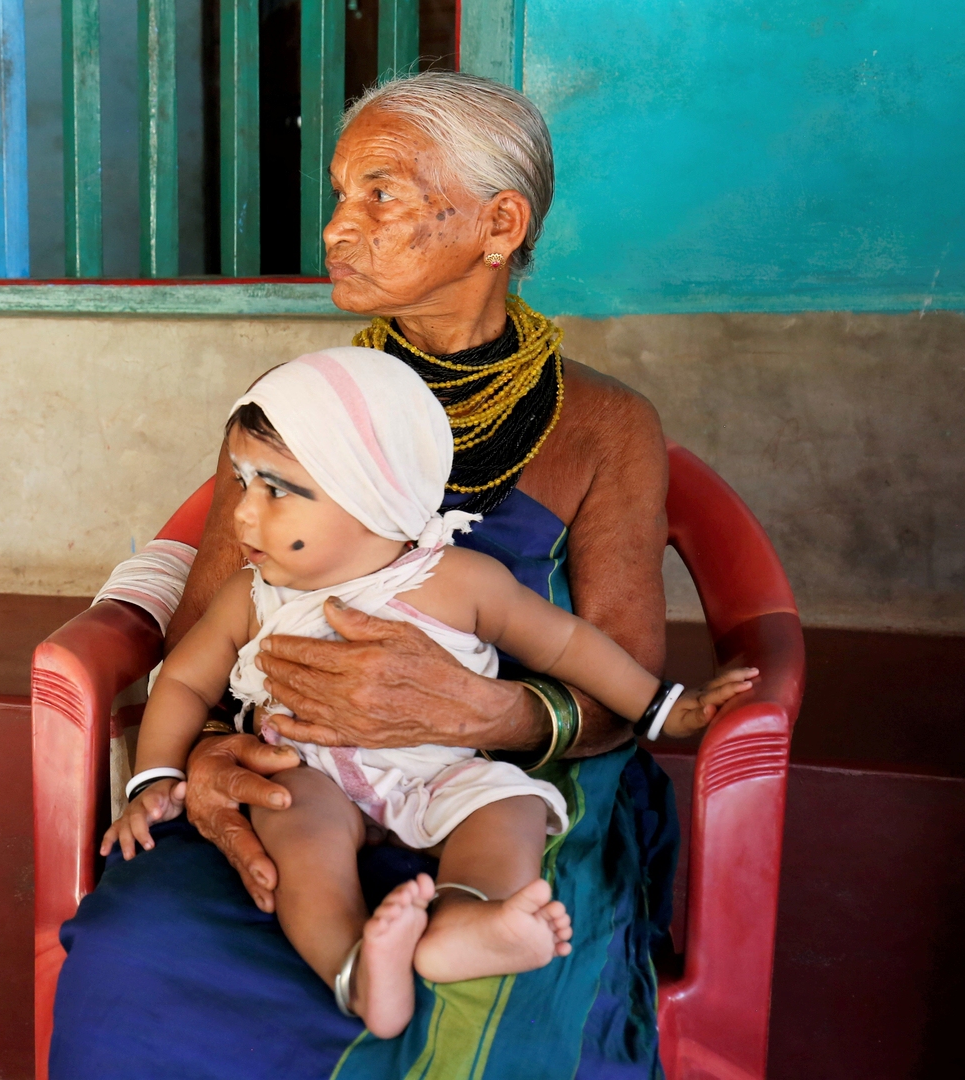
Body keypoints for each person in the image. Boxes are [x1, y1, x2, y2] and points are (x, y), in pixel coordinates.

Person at [52, 72, 686, 1078]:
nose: (337, 229)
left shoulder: (608, 428)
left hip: (508, 787)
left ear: (498, 222)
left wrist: (481, 713)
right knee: (144, 950)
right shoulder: (298, 408)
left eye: (378, 195)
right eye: (340, 196)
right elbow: (205, 637)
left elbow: (623, 683)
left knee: (516, 985)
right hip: (296, 781)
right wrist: (196, 762)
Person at [102, 351, 753, 1039]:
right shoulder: (252, 595)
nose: (241, 515)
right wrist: (158, 776)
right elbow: (183, 678)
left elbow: (569, 647)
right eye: (241, 483)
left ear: (372, 494)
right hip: (308, 771)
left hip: (442, 767)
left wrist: (663, 706)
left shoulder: (457, 579)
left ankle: (469, 919)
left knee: (508, 806)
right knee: (297, 851)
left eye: (275, 489)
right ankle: (353, 970)